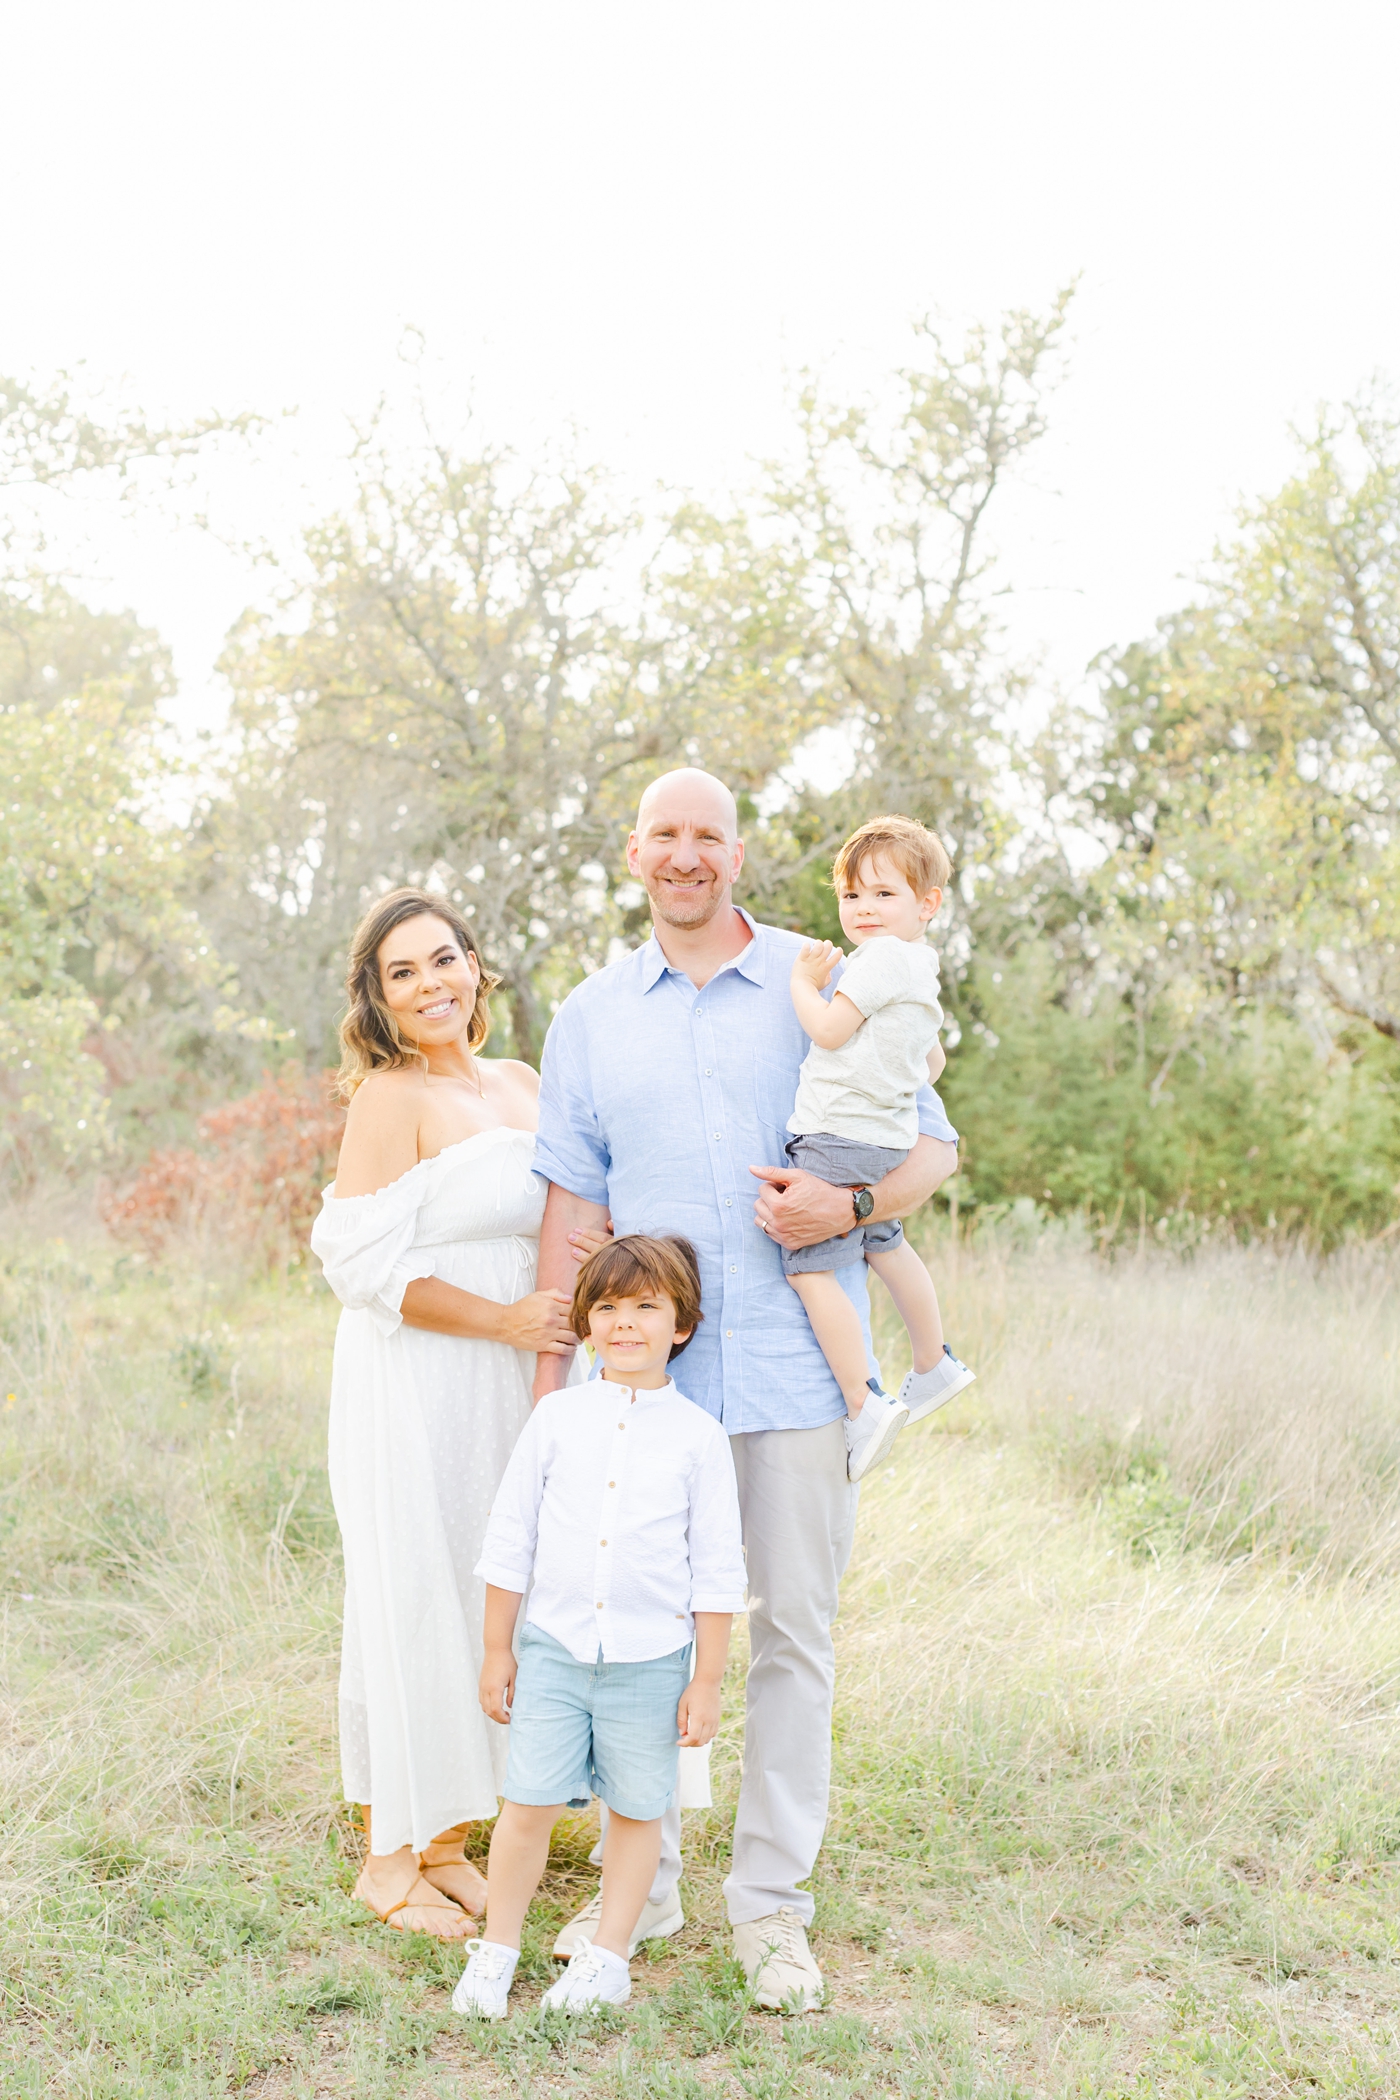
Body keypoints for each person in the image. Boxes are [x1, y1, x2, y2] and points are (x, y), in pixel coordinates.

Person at [531, 769, 960, 2011]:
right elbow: (572, 1212)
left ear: (736, 852)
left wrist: (854, 1203)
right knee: (642, 1640)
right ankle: (642, 1885)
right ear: (633, 853)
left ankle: (771, 1909)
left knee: (792, 1641)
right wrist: (546, 1385)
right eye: (662, 834)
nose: (684, 855)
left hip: (792, 1372)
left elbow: (931, 1146)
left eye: (705, 836)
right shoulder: (590, 1016)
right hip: (642, 1392)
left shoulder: (822, 978)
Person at [310, 886, 577, 1938]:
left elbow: (564, 1214)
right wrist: (504, 1323)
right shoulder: (391, 1095)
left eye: (441, 959)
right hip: (418, 1376)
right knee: (414, 1587)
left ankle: (447, 1840)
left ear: (476, 964)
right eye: (401, 973)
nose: (429, 984)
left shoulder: (523, 1081)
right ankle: (387, 1861)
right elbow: (357, 1265)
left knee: (494, 1588)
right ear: (377, 1002)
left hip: (518, 1383)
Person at [452, 1235, 745, 2020]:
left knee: (638, 1811)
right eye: (608, 1308)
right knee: (526, 1806)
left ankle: (609, 1954)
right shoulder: (557, 1418)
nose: (625, 1324)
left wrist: (707, 1678)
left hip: (651, 1662)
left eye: (646, 1306)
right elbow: (511, 1536)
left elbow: (717, 1570)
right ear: (586, 1322)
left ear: (680, 1323)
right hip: (553, 1651)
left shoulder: (698, 1438)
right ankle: (498, 1947)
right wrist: (495, 1649)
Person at [783, 814, 977, 1482]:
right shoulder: (921, 969)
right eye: (852, 895)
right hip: (881, 1137)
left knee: (809, 1267)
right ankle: (933, 1362)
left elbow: (832, 1032)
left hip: (837, 1133)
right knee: (885, 1242)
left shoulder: (879, 959)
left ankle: (863, 1401)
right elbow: (933, 1061)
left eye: (883, 894)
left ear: (928, 904)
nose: (863, 908)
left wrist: (803, 986)